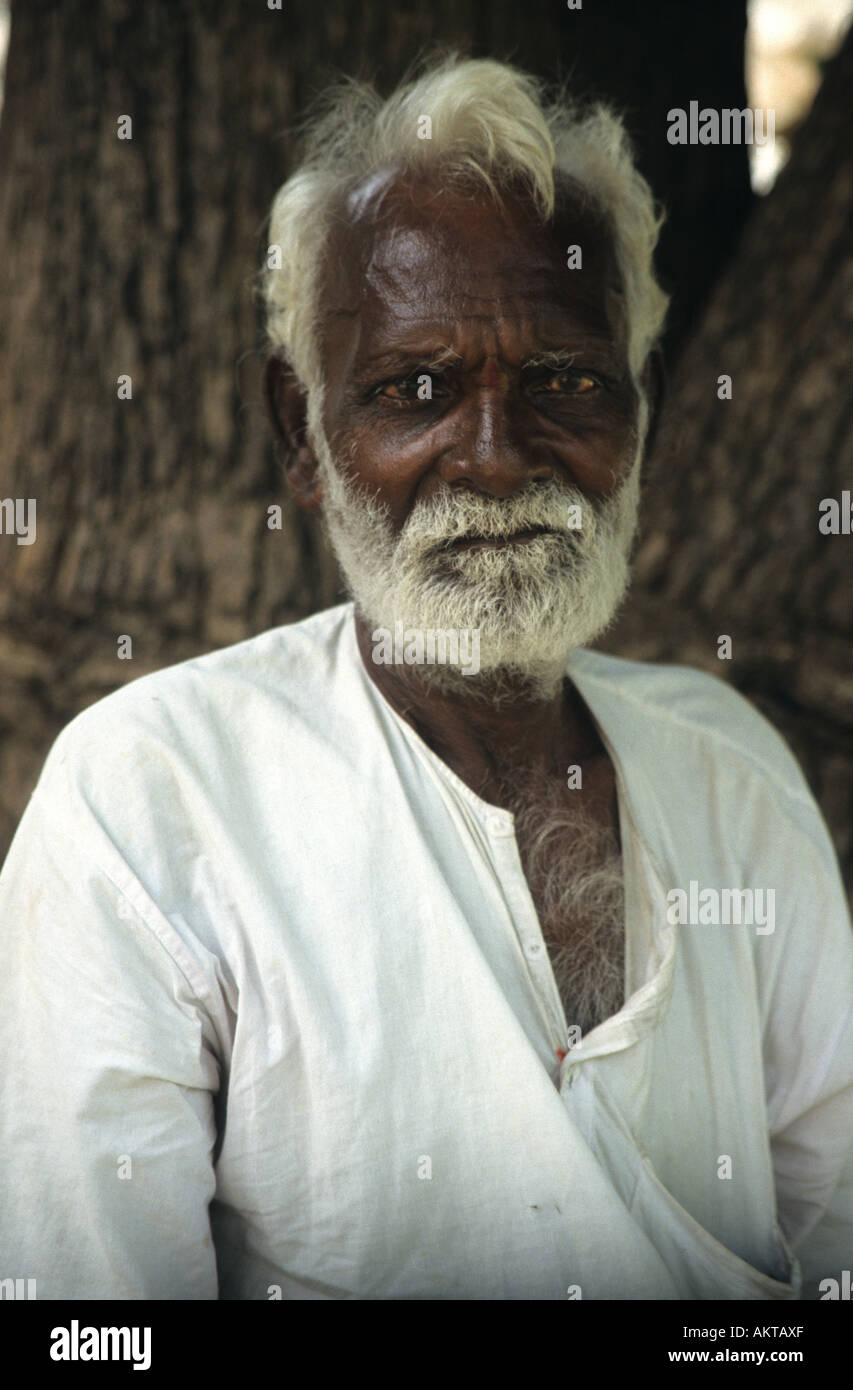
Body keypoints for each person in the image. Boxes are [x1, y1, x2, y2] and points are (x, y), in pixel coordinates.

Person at [1, 54, 851, 1301]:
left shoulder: (730, 775)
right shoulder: (145, 806)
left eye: (562, 380)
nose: (497, 459)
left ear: (640, 407)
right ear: (303, 435)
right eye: (415, 390)